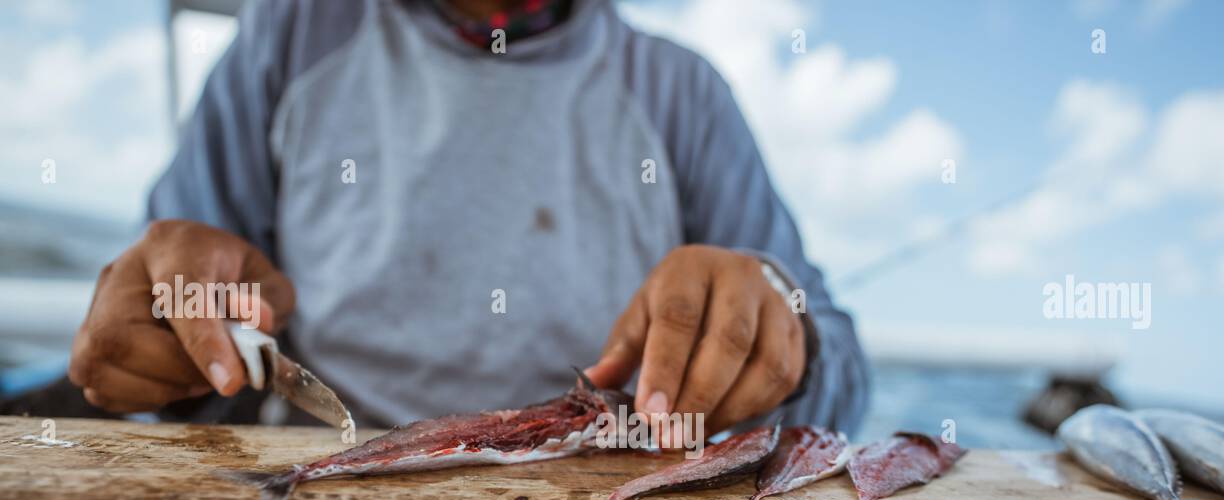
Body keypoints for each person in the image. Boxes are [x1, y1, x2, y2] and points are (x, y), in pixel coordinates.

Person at [68, 0, 869, 443]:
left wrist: (781, 331)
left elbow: (838, 370)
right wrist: (165, 341)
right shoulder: (286, 36)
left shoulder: (681, 93)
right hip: (309, 473)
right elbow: (171, 307)